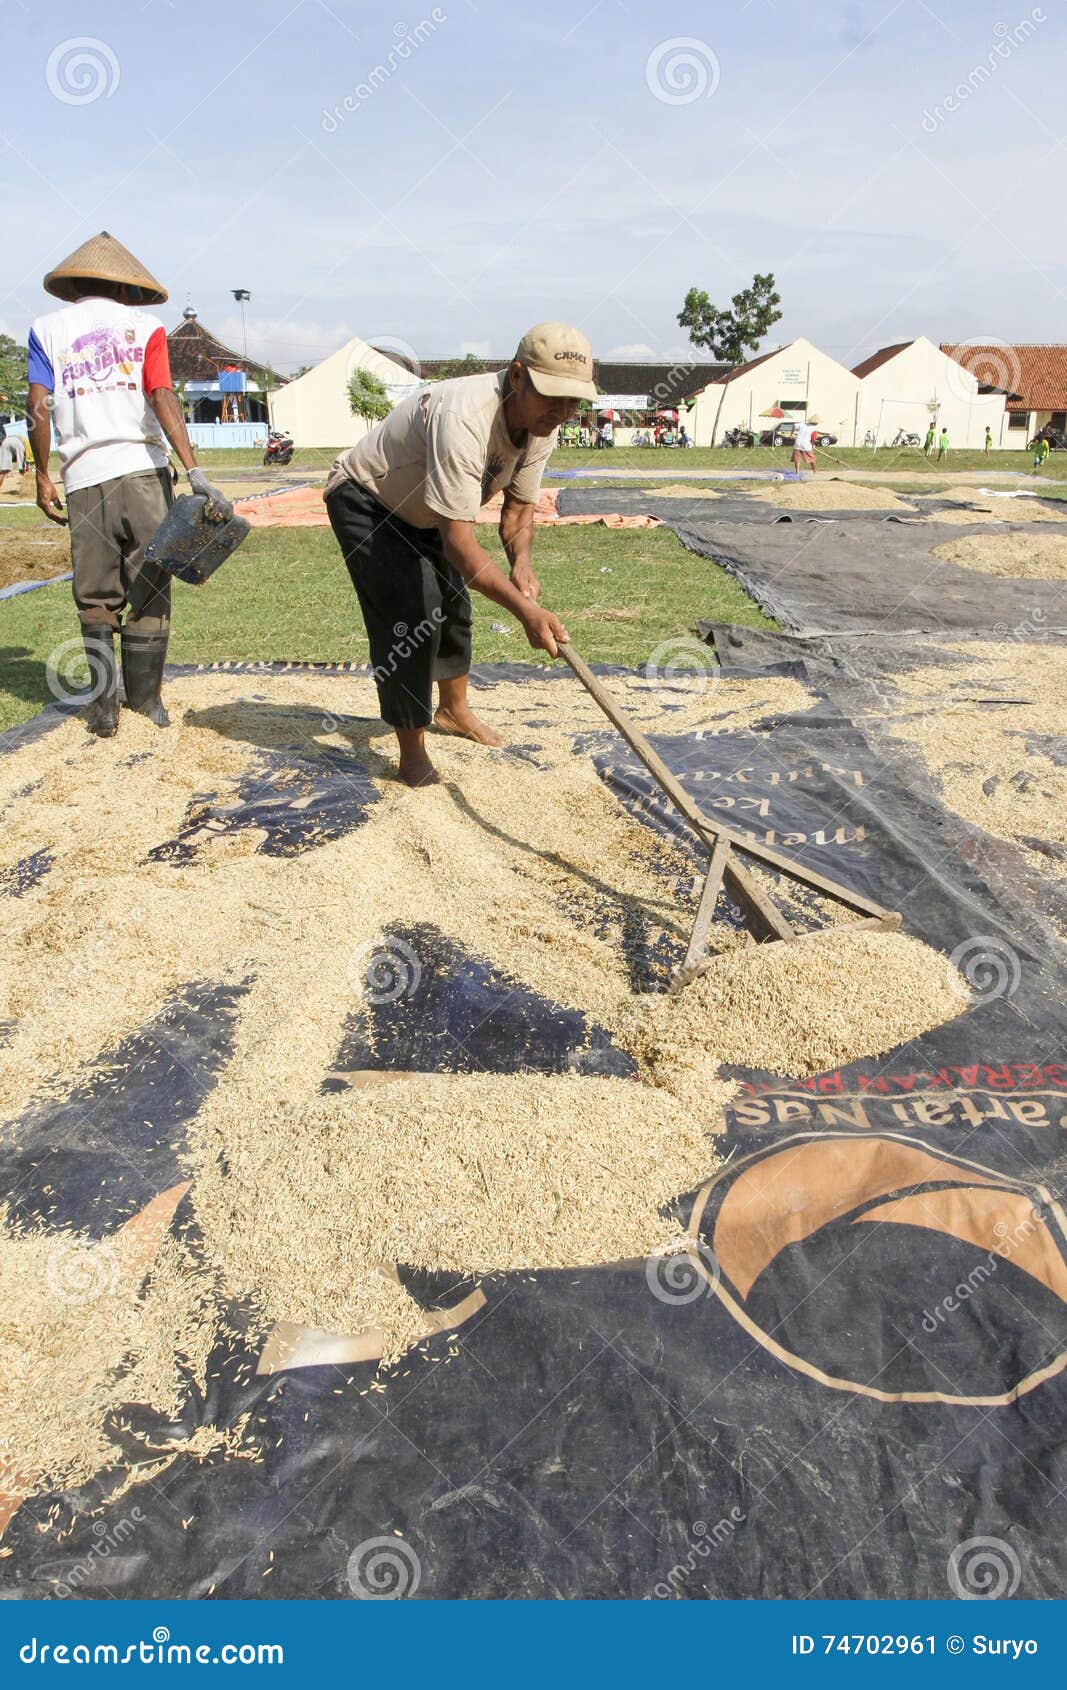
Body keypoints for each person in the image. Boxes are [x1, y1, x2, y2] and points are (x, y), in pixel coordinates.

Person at [324, 321, 594, 788]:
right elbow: (460, 543)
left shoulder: (541, 425)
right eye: (553, 396)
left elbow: (518, 512)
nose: (563, 411)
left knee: (455, 604)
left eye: (573, 400)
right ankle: (411, 754)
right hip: (368, 501)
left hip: (425, 510)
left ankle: (453, 711)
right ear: (516, 377)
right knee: (412, 613)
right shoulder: (467, 415)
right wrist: (524, 610)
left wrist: (521, 563)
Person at [27, 231, 232, 737]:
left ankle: (103, 713)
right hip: (143, 472)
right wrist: (195, 470)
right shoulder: (146, 328)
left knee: (95, 595)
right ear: (127, 289)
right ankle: (148, 705)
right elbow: (161, 396)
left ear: (74, 285)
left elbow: (37, 406)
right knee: (150, 582)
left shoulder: (45, 328)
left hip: (82, 478)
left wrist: (39, 473)